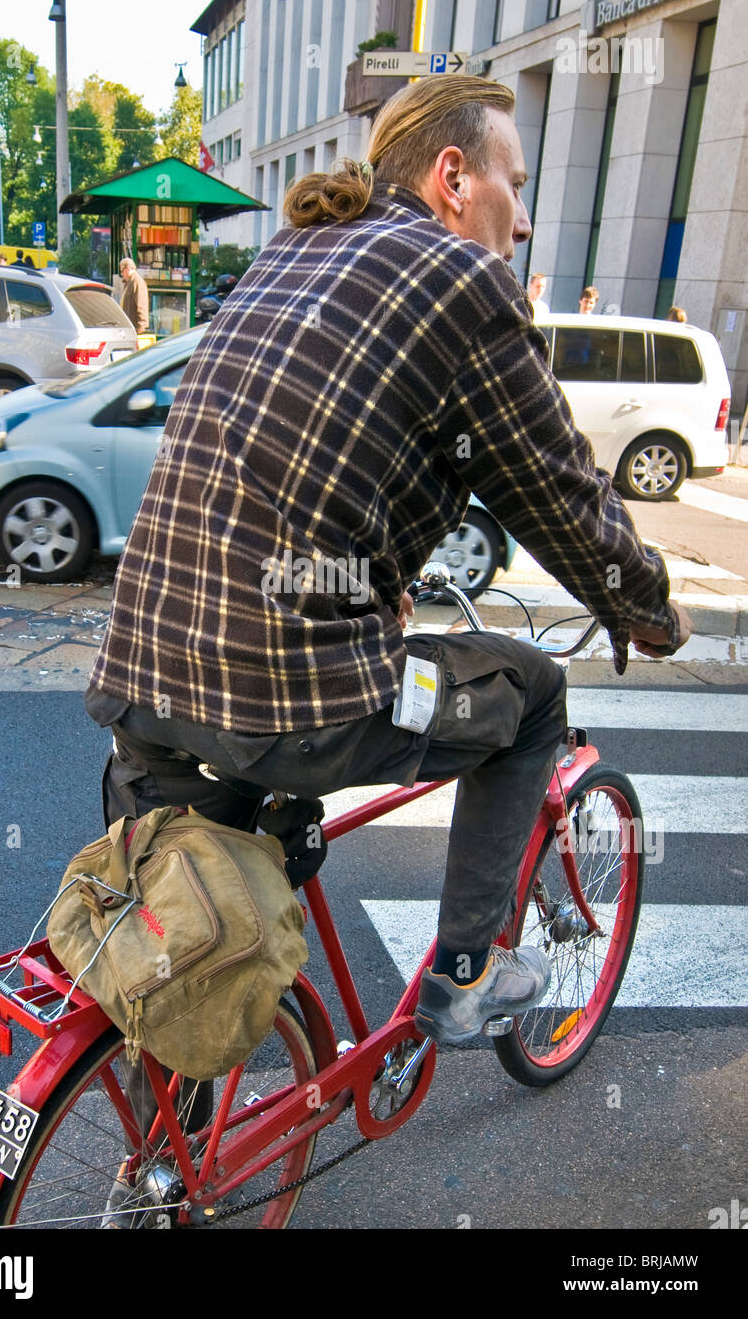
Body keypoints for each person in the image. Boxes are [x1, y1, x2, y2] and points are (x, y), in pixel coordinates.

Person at [85, 74, 690, 1052]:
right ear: (452, 176)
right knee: (527, 690)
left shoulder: (294, 251)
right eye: (514, 183)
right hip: (303, 699)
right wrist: (646, 608)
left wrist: (367, 579)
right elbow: (557, 490)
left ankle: (167, 1160)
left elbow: (290, 456)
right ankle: (464, 976)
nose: (524, 220)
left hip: (140, 676)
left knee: (193, 949)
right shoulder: (461, 283)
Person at [119, 256, 149, 335]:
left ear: (128, 269)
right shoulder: (129, 282)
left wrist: (141, 327)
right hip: (129, 327)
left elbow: (141, 305)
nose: (121, 274)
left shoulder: (137, 282)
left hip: (135, 329)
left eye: (122, 271)